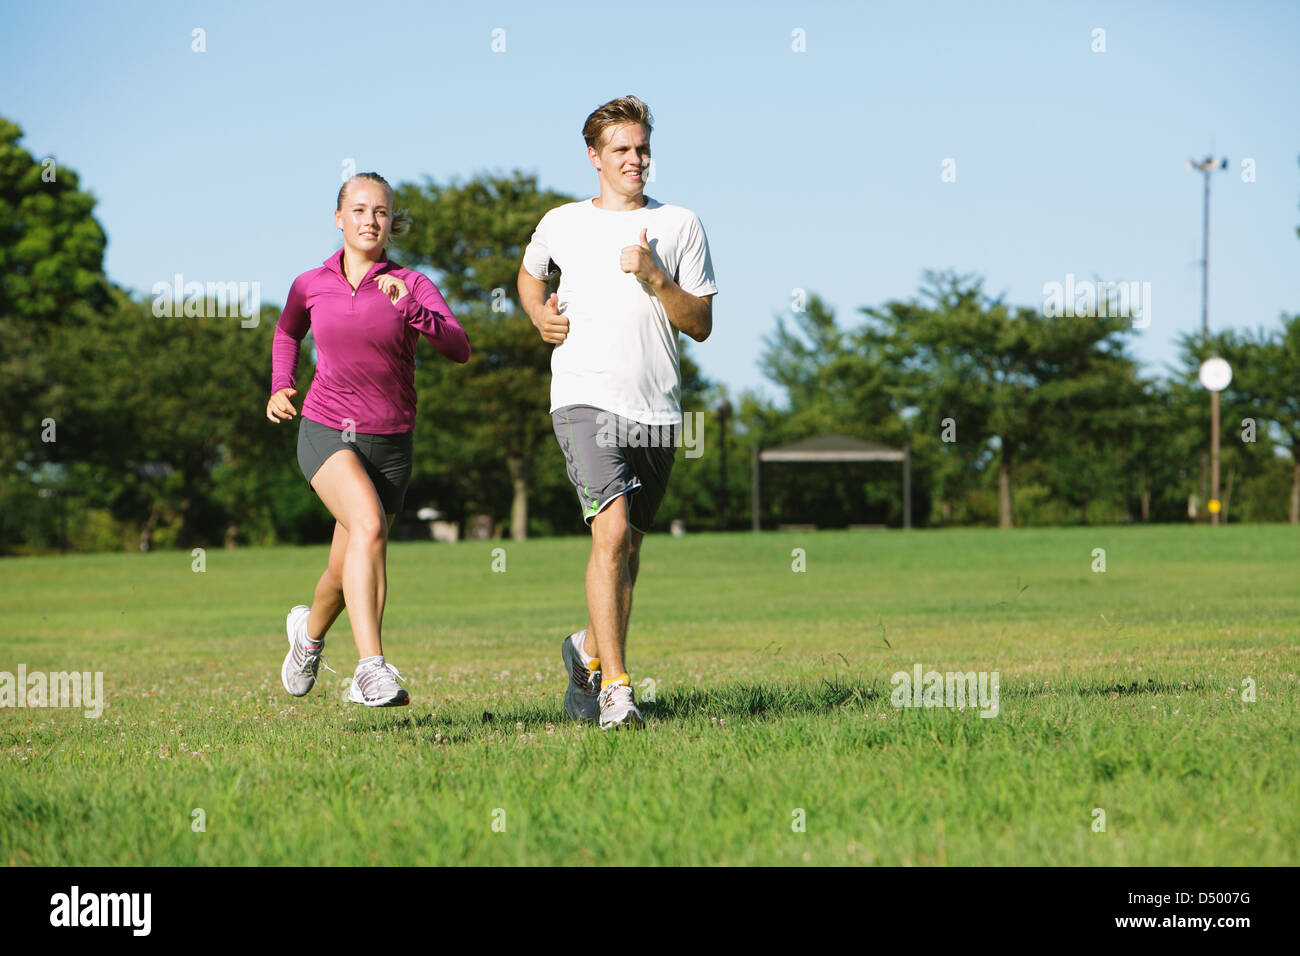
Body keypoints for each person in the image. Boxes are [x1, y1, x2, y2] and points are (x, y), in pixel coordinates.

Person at [517, 96, 717, 729]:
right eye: (621, 150)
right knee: (609, 533)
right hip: (582, 397)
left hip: (656, 408)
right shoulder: (562, 223)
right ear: (594, 157)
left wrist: (658, 278)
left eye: (642, 148)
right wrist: (538, 313)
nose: (635, 160)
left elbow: (702, 325)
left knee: (627, 550)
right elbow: (529, 276)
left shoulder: (681, 224)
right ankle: (617, 690)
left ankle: (586, 651)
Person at [267, 172, 470, 706]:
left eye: (379, 212)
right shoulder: (311, 283)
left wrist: (411, 309)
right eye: (358, 210)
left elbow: (458, 346)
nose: (369, 221)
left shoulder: (413, 284)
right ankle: (371, 669)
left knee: (345, 564)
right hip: (326, 428)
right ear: (339, 218)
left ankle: (307, 637)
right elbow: (287, 331)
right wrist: (281, 384)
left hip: (392, 440)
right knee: (369, 525)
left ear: (391, 221)